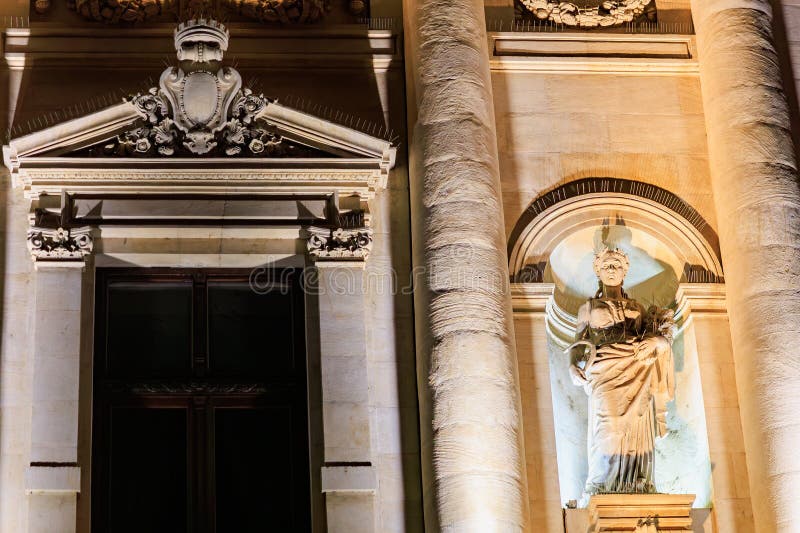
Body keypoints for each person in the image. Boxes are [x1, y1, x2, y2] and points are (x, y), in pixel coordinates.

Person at [567, 247, 675, 497]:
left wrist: (658, 342)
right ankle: (602, 483)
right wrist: (573, 365)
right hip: (604, 368)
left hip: (637, 367)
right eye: (607, 266)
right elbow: (578, 342)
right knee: (608, 425)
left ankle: (637, 480)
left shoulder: (637, 306)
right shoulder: (588, 307)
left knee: (638, 425)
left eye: (616, 265)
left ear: (625, 272)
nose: (612, 269)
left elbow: (658, 335)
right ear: (598, 272)